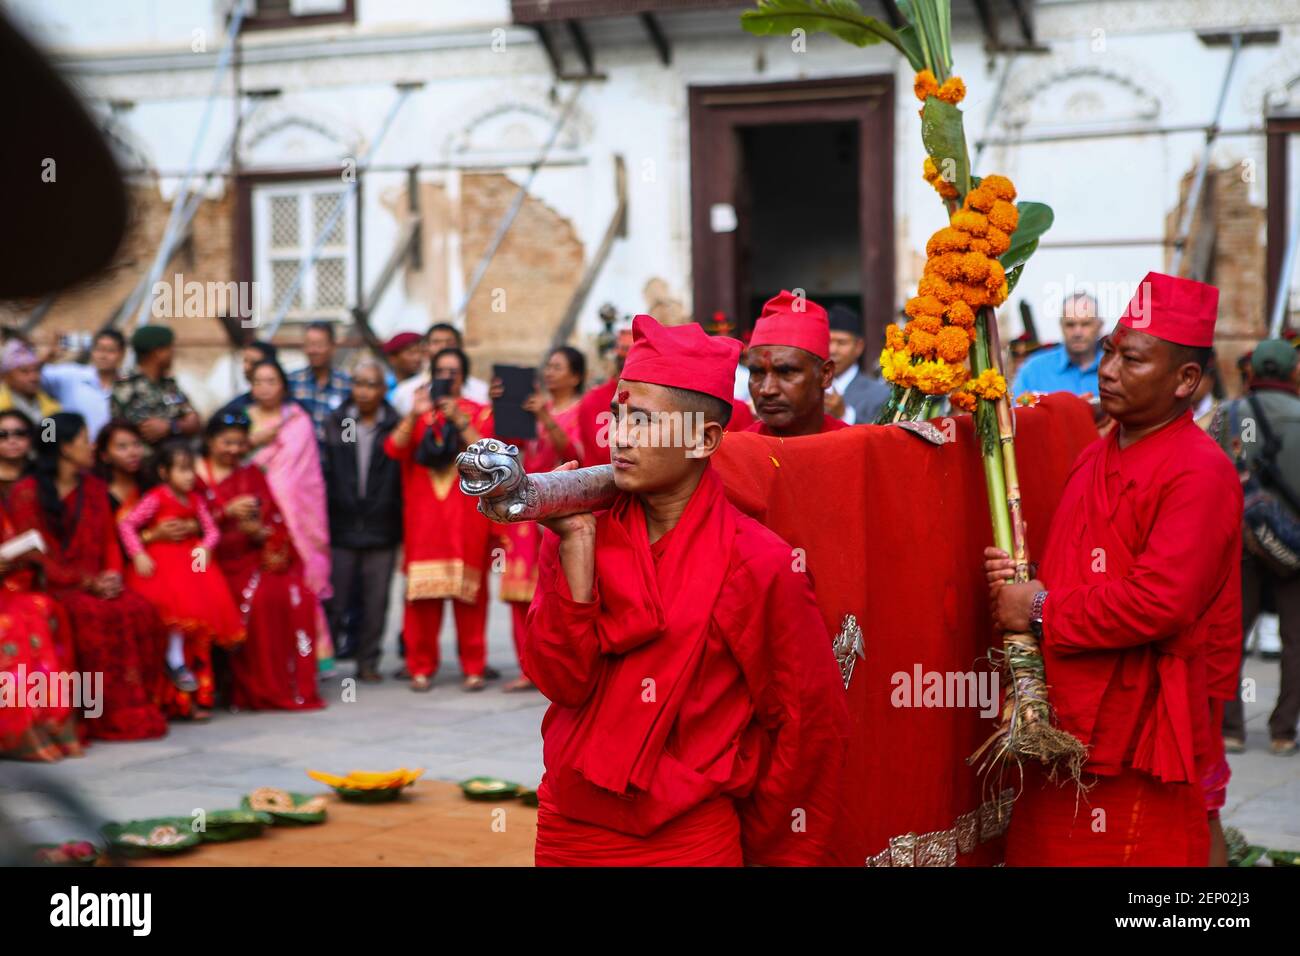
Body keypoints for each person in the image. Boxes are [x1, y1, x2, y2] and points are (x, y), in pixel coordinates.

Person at [525, 313, 849, 866]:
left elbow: (806, 725)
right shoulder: (584, 531)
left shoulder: (761, 562)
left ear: (704, 440)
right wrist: (575, 556)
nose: (619, 437)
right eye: (617, 416)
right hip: (568, 826)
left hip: (686, 838)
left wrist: (772, 848)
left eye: (644, 422)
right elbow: (562, 682)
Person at [985, 272, 1241, 866]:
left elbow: (1160, 602)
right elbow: (1075, 564)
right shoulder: (1096, 452)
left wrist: (1040, 608)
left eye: (1132, 359)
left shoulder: (1198, 471)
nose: (1108, 370)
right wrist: (1021, 577)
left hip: (1138, 720)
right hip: (1067, 712)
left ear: (1186, 381)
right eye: (1108, 352)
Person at [7, 411, 167, 741]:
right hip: (51, 584)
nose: (91, 446)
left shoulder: (93, 487)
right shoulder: (26, 491)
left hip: (95, 582)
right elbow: (35, 553)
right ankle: (91, 712)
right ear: (65, 447)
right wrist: (85, 582)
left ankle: (132, 706)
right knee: (89, 616)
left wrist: (111, 576)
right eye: (84, 439)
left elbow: (109, 539)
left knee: (139, 609)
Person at [384, 346, 495, 692]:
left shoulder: (480, 412)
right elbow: (392, 449)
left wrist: (460, 421)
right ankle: (420, 666)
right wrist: (416, 415)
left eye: (453, 372)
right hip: (424, 519)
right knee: (420, 599)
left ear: (463, 376)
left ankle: (473, 666)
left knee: (470, 597)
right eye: (441, 372)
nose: (447, 378)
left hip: (466, 519)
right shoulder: (418, 412)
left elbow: (491, 457)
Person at [196, 413, 324, 711]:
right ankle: (248, 686)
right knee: (260, 600)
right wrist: (224, 512)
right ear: (209, 442)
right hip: (210, 561)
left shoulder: (252, 474)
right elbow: (187, 522)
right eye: (226, 442)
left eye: (240, 443)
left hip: (253, 557)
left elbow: (275, 522)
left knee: (296, 596)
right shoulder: (195, 475)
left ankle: (283, 684)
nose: (234, 450)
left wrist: (261, 533)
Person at [1212, 339, 1300, 757]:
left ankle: (1231, 728)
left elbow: (1208, 475)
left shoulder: (1230, 415)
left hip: (1240, 539)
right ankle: (1283, 731)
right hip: (1296, 547)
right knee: (1296, 642)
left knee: (1230, 635)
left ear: (1252, 372)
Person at [119, 442, 245, 717]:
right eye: (183, 470)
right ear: (164, 472)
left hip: (191, 565)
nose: (190, 476)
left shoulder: (196, 500)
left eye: (192, 470)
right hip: (163, 567)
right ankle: (174, 668)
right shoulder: (156, 497)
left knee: (197, 626)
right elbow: (127, 524)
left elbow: (212, 531)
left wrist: (205, 547)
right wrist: (138, 554)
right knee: (175, 618)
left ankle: (196, 697)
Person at [495, 346, 586, 693]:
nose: (549, 373)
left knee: (554, 586)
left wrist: (546, 420)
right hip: (524, 508)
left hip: (558, 508)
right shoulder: (532, 408)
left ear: (575, 376)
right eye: (547, 366)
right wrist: (503, 408)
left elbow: (574, 455)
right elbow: (507, 448)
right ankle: (526, 665)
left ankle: (554, 661)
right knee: (519, 590)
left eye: (558, 367)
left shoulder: (581, 410)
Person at [0, 409, 81, 760]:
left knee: (38, 609)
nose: (11, 441)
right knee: (13, 624)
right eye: (3, 435)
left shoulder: (35, 483)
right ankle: (17, 731)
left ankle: (49, 723)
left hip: (14, 582)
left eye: (19, 433)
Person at [322, 358, 402, 684]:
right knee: (336, 599)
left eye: (371, 385)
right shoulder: (339, 421)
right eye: (359, 384)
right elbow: (328, 472)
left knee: (375, 600)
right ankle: (326, 661)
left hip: (382, 526)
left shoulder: (395, 424)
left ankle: (367, 662)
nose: (364, 391)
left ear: (384, 390)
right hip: (342, 525)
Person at [246, 360, 334, 648]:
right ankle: (271, 656)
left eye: (271, 381)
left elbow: (308, 478)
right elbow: (232, 462)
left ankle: (310, 654)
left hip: (299, 516)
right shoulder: (243, 421)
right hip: (257, 516)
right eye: (258, 381)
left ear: (283, 386)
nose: (265, 387)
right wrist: (253, 441)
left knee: (302, 582)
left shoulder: (297, 420)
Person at [744, 290, 847, 437]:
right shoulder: (732, 454)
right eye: (757, 373)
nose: (766, 390)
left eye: (786, 372)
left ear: (826, 375)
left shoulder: (856, 448)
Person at [111, 325, 200, 446]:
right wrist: (180, 425)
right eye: (170, 348)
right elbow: (149, 430)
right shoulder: (127, 385)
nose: (173, 353)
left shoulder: (169, 385)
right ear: (158, 352)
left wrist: (171, 426)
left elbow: (194, 422)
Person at [1011, 291, 1103, 398]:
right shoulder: (1033, 370)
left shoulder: (1117, 370)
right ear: (1061, 325)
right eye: (1070, 324)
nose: (1077, 332)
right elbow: (1017, 413)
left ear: (1099, 325)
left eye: (1086, 324)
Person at [39, 329, 124, 440]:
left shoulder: (128, 384)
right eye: (99, 349)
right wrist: (47, 356)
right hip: (74, 451)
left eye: (110, 350)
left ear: (122, 353)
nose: (103, 355)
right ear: (92, 351)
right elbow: (33, 376)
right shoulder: (72, 375)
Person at [392, 322, 490, 414]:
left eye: (450, 342)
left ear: (460, 347)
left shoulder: (481, 390)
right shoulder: (405, 392)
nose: (443, 347)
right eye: (436, 342)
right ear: (425, 348)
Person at [825, 304, 889, 425]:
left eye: (841, 342)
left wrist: (844, 415)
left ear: (858, 347)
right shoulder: (809, 388)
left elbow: (880, 439)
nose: (832, 350)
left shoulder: (880, 394)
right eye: (827, 341)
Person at [288, 321, 351, 443]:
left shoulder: (347, 384)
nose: (313, 350)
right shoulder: (291, 382)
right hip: (300, 458)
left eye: (319, 345)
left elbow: (350, 430)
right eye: (309, 344)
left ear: (333, 347)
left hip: (334, 458)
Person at [96, 419, 151, 519]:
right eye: (122, 447)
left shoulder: (150, 487)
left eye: (137, 444)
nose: (133, 453)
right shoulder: (98, 494)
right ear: (104, 455)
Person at [213, 340, 279, 421]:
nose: (246, 367)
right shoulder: (236, 408)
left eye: (253, 362)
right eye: (245, 361)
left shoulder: (293, 410)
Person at [0, 338, 60, 423]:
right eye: (24, 371)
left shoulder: (53, 407)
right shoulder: (2, 407)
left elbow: (50, 436)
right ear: (6, 376)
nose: (34, 377)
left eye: (36, 370)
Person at [383, 331, 426, 405]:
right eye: (411, 353)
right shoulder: (383, 387)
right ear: (392, 358)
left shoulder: (426, 384)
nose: (418, 358)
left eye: (421, 352)